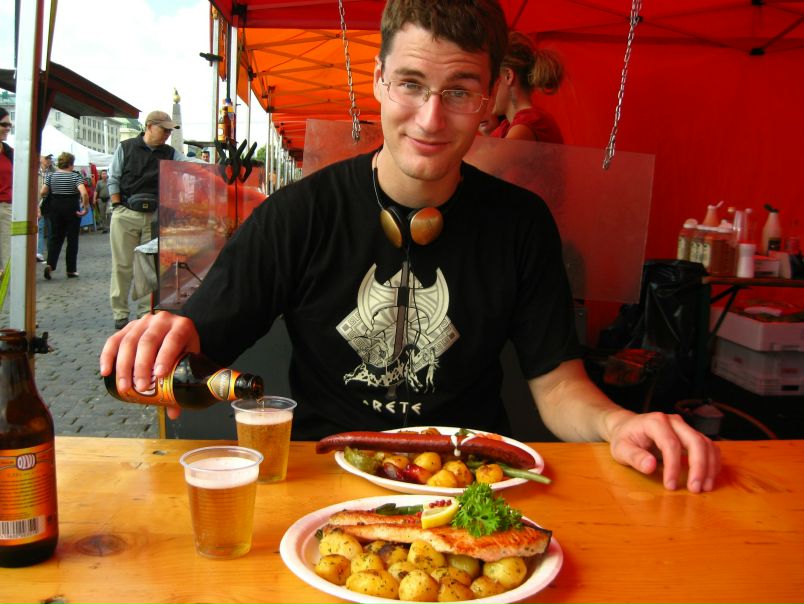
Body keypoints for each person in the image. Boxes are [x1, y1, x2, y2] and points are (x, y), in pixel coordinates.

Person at [101, 0, 720, 493]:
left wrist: (618, 422)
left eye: (459, 91)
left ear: (489, 97)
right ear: (378, 79)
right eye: (411, 84)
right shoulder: (298, 214)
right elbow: (197, 344)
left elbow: (558, 387)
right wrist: (159, 343)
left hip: (471, 488)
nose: (430, 119)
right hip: (324, 485)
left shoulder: (521, 223)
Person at [107, 110, 201, 330]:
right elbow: (114, 177)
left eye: (170, 131)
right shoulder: (126, 147)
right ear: (149, 126)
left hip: (154, 216)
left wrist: (212, 166)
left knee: (148, 266)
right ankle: (120, 312)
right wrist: (117, 206)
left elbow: (188, 163)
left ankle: (144, 312)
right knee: (122, 265)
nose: (167, 134)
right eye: (164, 129)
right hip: (126, 214)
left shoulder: (169, 152)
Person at [489, 31, 564, 143]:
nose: (486, 90)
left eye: (491, 80)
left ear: (508, 76)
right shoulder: (506, 127)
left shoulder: (529, 123)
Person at [40, 152, 88, 279]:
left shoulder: (51, 176)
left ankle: (50, 265)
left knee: (55, 237)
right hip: (72, 208)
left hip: (55, 208)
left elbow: (43, 192)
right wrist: (85, 208)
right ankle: (71, 270)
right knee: (72, 239)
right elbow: (84, 193)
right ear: (70, 164)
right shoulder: (75, 176)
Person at [0, 108, 13, 280]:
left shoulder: (10, 153)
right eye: (4, 124)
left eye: (9, 125)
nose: (8, 128)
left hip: (6, 209)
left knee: (7, 261)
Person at [37, 154, 54, 261]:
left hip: (50, 203)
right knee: (40, 228)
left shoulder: (53, 172)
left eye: (49, 159)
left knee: (51, 229)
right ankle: (39, 252)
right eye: (46, 158)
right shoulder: (35, 172)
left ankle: (51, 252)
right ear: (40, 159)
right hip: (38, 203)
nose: (48, 160)